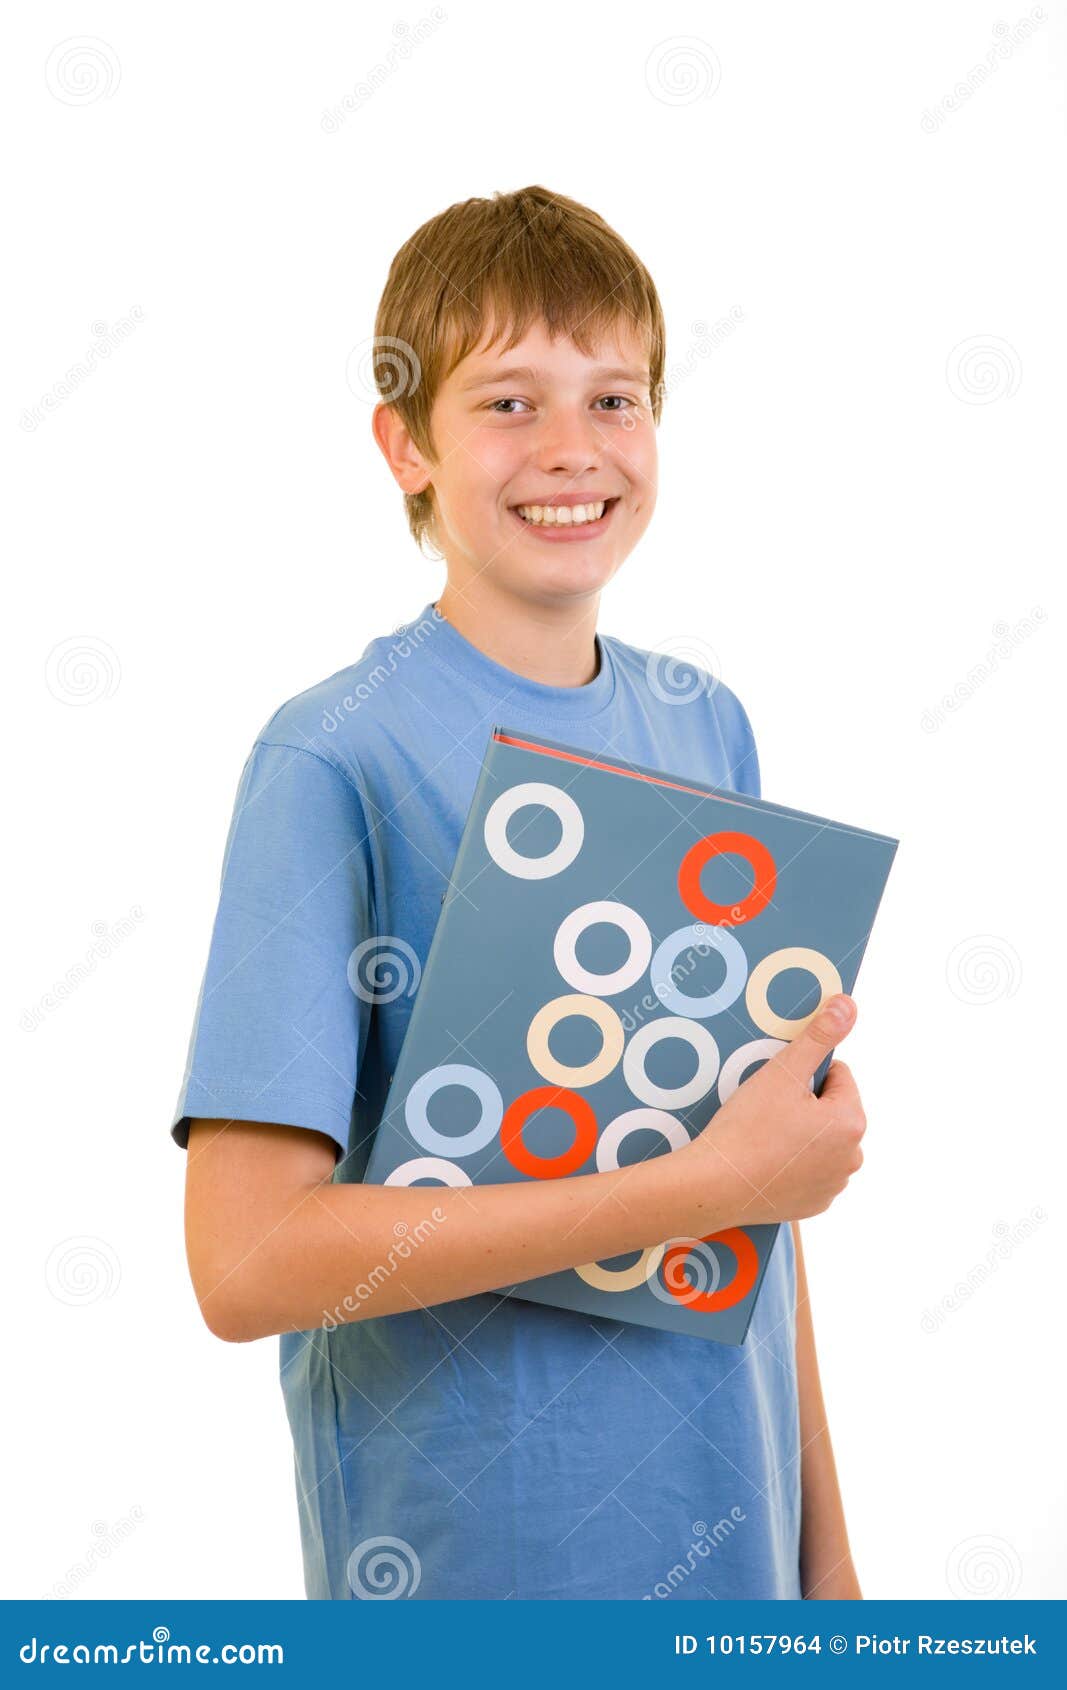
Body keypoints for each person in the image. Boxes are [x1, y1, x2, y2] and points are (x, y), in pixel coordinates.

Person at [172, 185, 867, 1602]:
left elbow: (755, 1211)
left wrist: (831, 1573)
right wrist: (703, 1180)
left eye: (616, 397)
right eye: (509, 403)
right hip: (468, 1574)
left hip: (737, 1571)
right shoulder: (334, 754)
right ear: (404, 446)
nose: (573, 450)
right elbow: (244, 1263)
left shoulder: (706, 725)